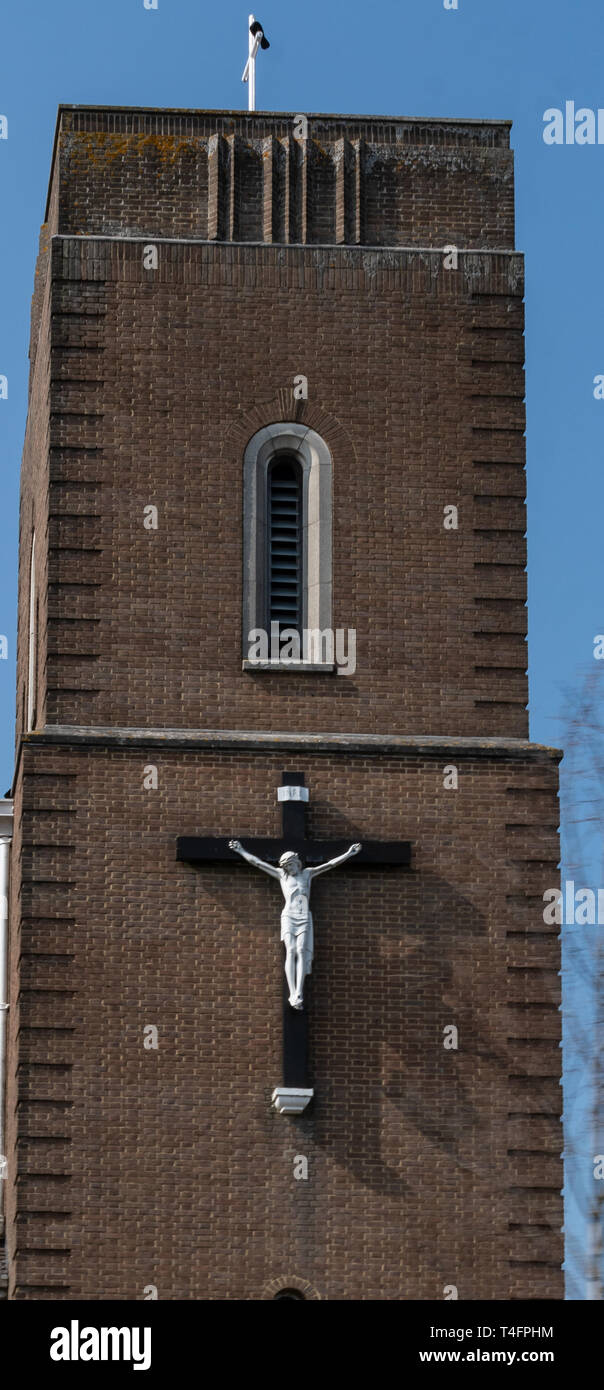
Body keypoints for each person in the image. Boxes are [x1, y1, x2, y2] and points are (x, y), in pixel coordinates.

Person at [228, 839, 362, 1008]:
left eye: (290, 866)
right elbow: (258, 863)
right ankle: (292, 992)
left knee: (301, 951)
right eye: (286, 867)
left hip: (304, 916)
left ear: (296, 863)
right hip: (289, 916)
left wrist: (349, 853)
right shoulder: (281, 875)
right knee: (290, 950)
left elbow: (330, 865)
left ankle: (299, 991)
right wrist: (241, 851)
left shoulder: (308, 874)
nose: (289, 869)